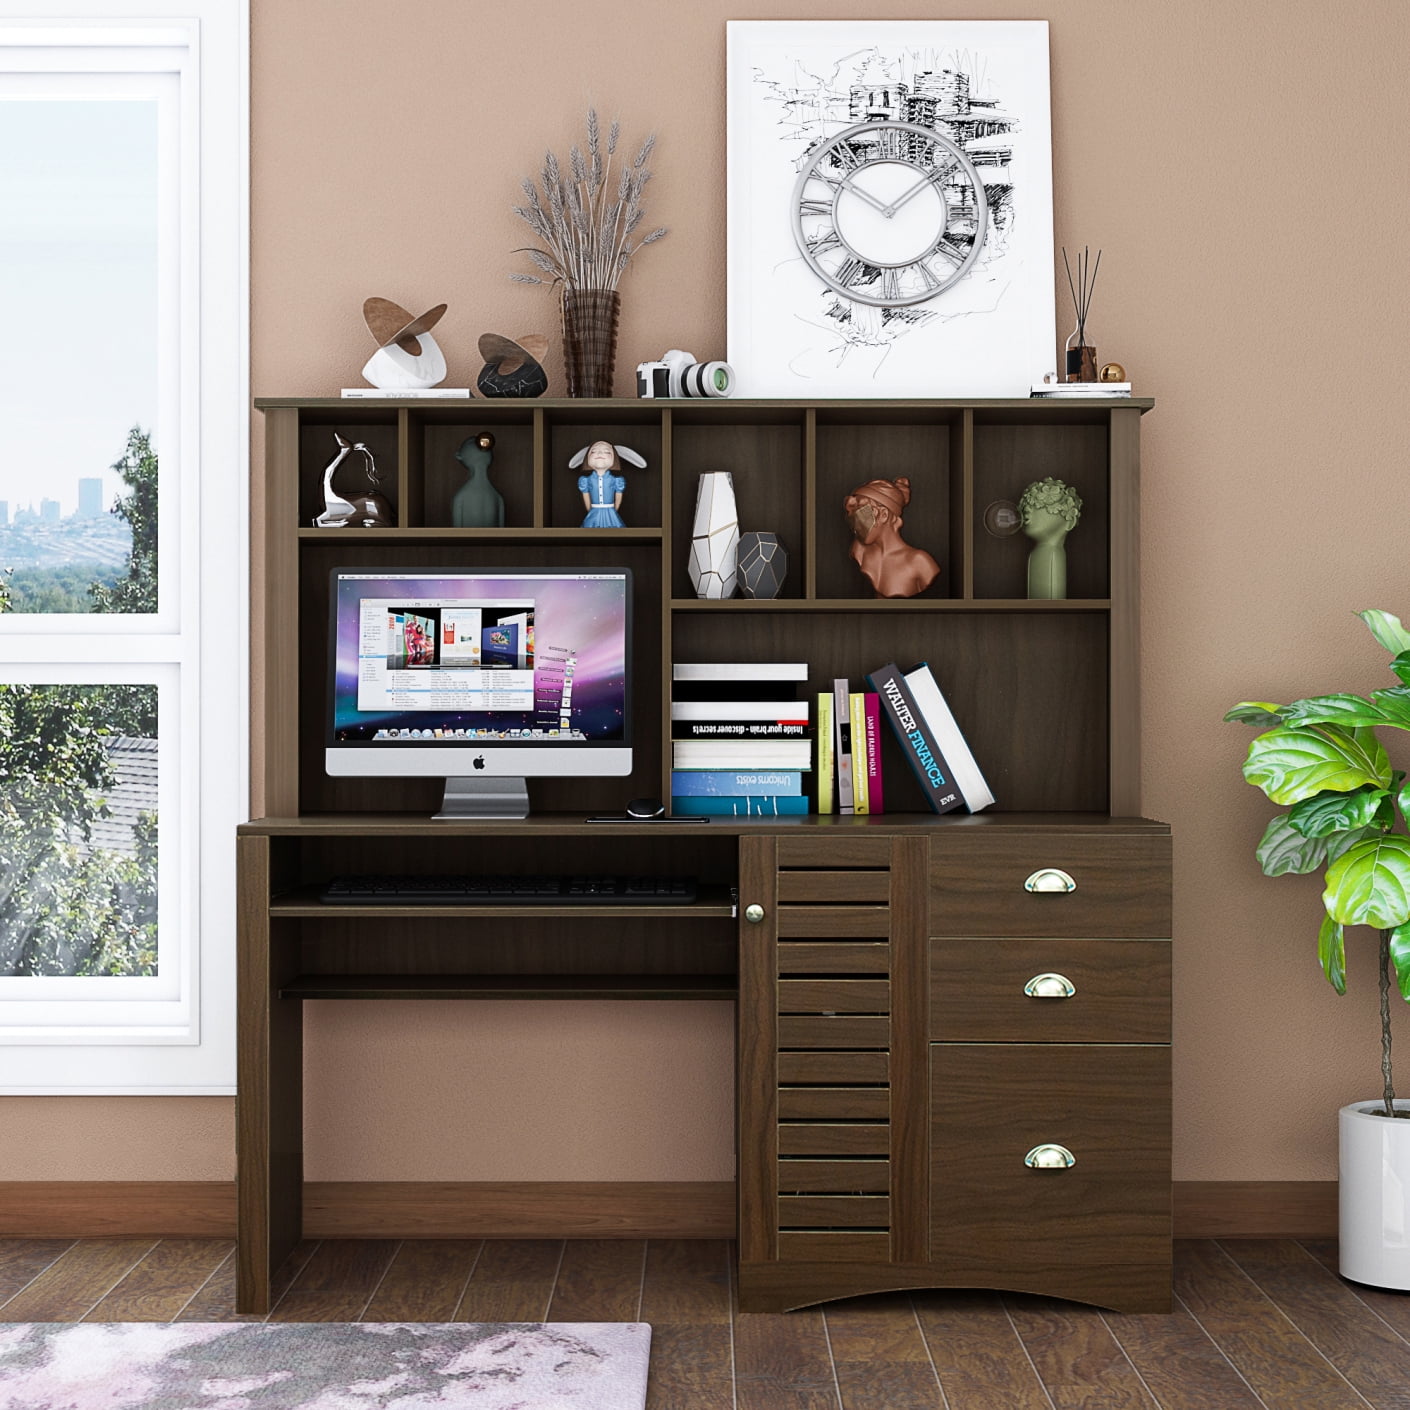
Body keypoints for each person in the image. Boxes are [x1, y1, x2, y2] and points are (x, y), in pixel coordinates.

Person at [844, 477, 940, 599]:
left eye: (862, 520)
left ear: (884, 515)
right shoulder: (859, 550)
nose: (856, 528)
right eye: (854, 522)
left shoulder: (919, 562)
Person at [577, 440, 628, 528]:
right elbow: (586, 497)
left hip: (611, 512)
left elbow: (618, 497)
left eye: (607, 452)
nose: (600, 453)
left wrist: (613, 512)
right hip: (594, 512)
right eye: (593, 451)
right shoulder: (586, 480)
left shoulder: (617, 480)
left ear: (614, 458)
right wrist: (591, 512)